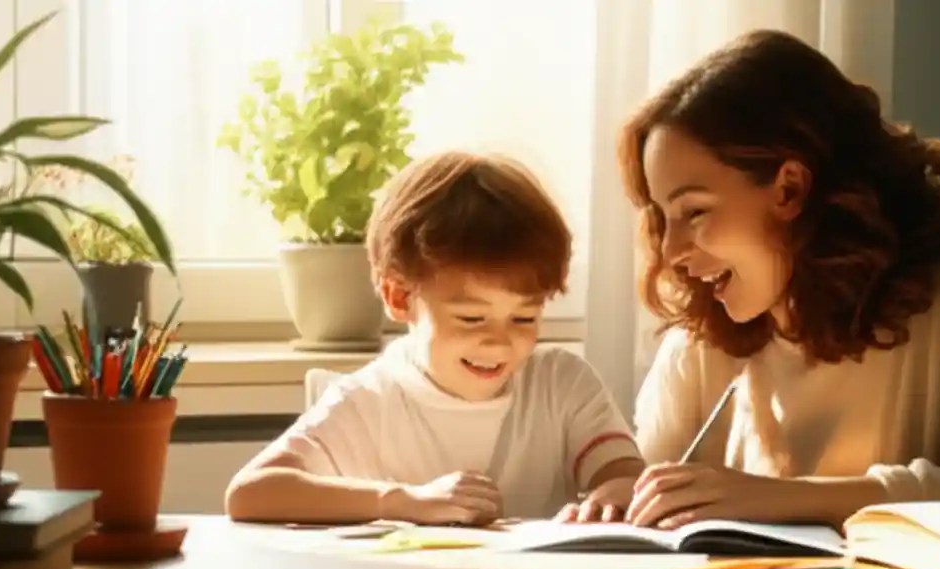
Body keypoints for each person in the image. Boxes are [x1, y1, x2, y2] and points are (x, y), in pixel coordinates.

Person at [607, 29, 940, 532]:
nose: (670, 252)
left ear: (789, 188)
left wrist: (793, 499)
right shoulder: (705, 331)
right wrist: (613, 502)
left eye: (694, 211)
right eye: (663, 215)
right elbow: (645, 494)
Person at [226, 150, 643, 531]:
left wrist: (619, 490)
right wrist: (403, 501)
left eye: (524, 317)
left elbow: (621, 472)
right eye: (471, 318)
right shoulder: (368, 400)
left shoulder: (562, 383)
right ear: (400, 297)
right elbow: (250, 492)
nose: (499, 343)